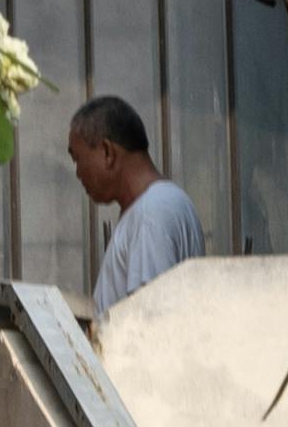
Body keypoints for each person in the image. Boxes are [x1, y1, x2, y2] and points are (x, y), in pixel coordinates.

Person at [69, 94, 205, 306]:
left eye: (77, 159)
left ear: (107, 152)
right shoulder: (163, 203)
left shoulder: (151, 213)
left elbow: (149, 319)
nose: (77, 172)